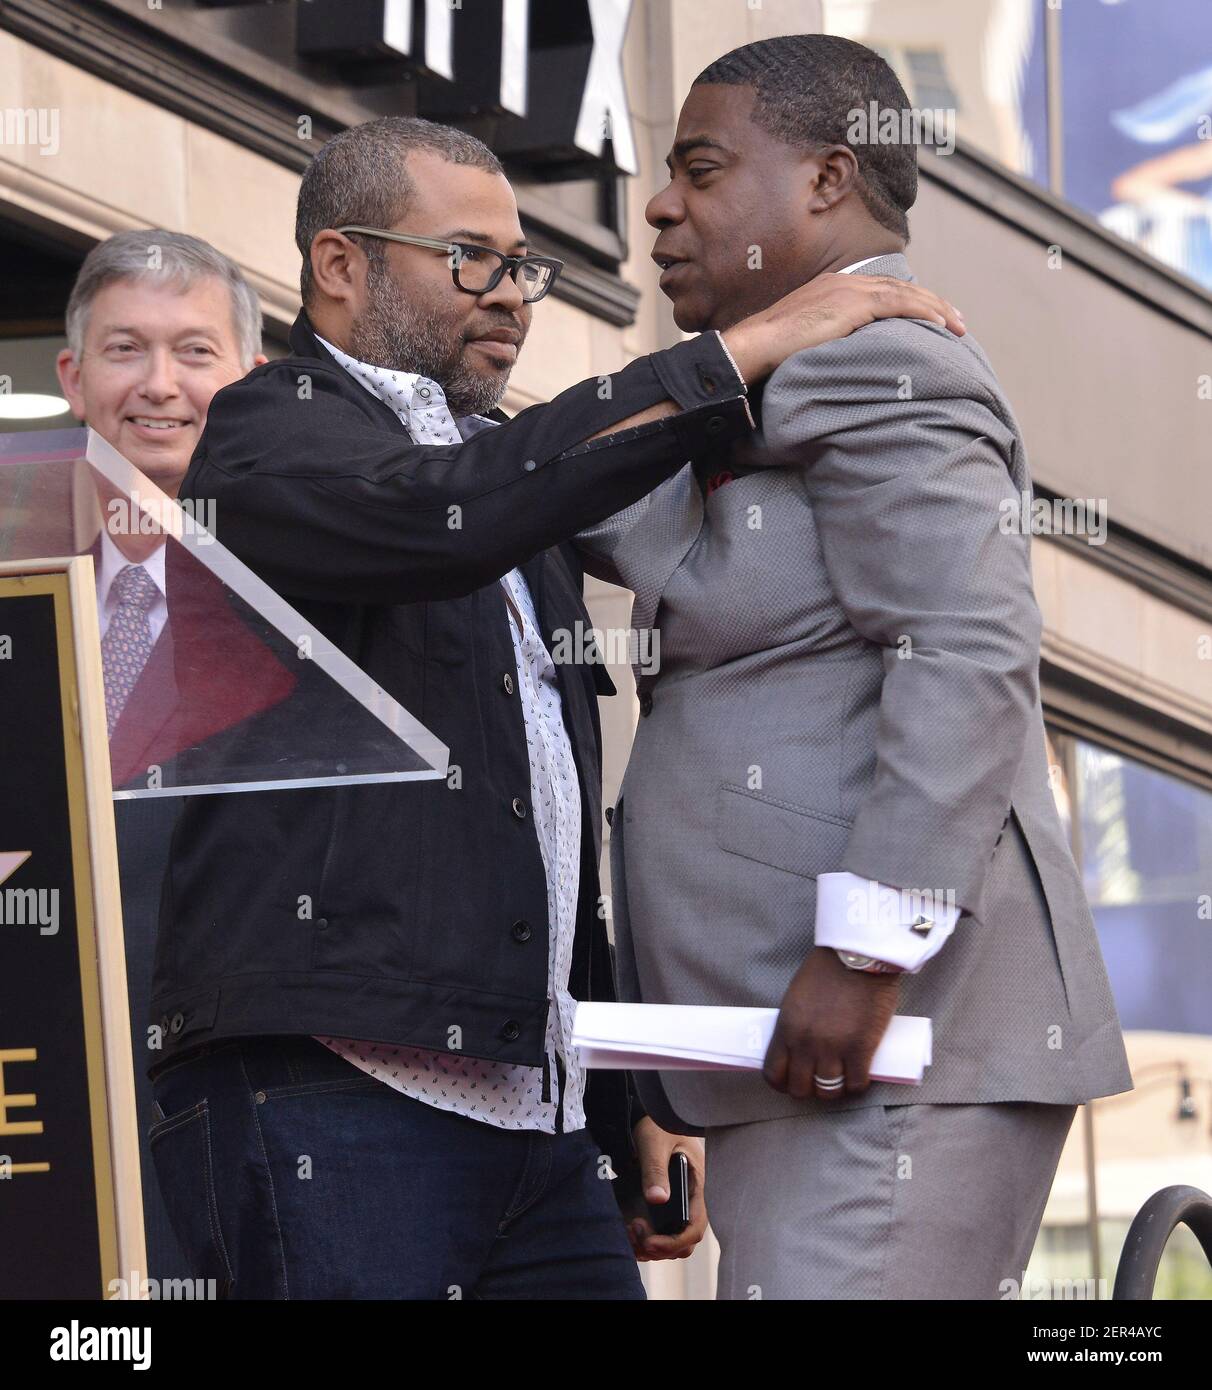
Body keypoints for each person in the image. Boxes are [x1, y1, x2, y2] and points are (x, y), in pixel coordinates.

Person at [147, 115, 964, 1300]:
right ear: (341, 264)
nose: (511, 297)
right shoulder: (266, 433)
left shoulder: (521, 496)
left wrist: (624, 1096)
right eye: (470, 258)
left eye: (523, 266)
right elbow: (444, 511)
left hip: (539, 1117)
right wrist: (738, 353)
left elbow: (550, 828)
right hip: (331, 1090)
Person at [575, 34, 1133, 1300]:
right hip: (803, 1064)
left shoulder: (881, 356)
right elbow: (611, 515)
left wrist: (868, 946)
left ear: (827, 180)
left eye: (702, 170)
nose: (661, 204)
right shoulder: (776, 371)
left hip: (893, 1049)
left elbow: (971, 651)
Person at [54, 228, 268, 1283]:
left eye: (195, 352)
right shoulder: (17, 577)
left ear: (251, 377)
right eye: (125, 349)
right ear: (72, 375)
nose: (159, 385)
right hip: (47, 1078)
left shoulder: (318, 590)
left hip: (253, 1094)